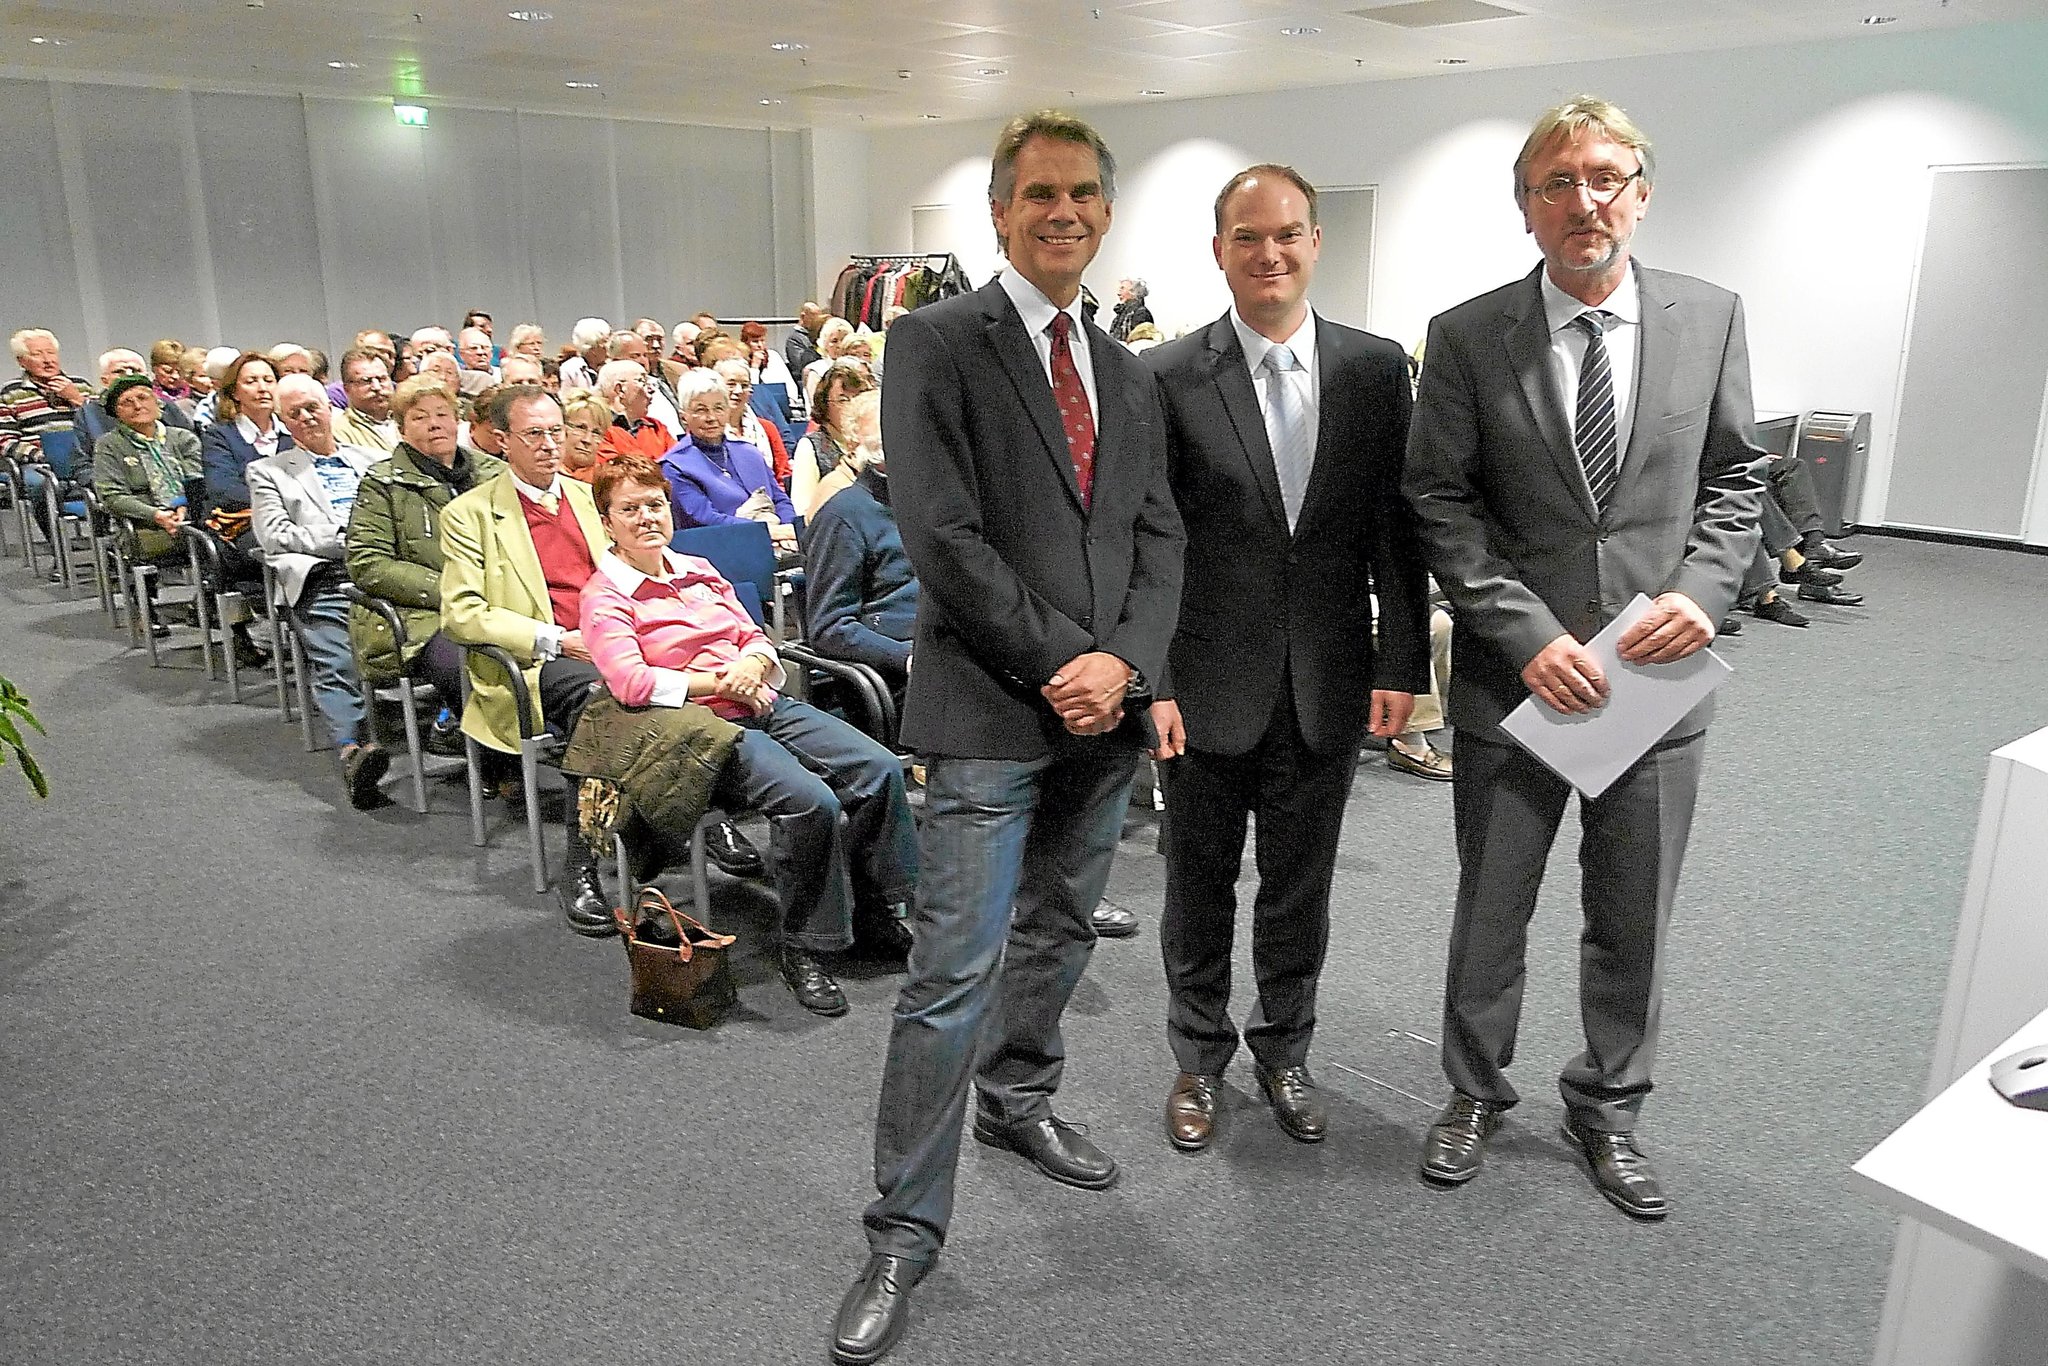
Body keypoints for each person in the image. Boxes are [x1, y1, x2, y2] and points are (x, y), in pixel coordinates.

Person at [830, 109, 1184, 1366]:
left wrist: (1127, 666)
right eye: (1038, 194)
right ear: (996, 210)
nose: (1064, 213)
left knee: (1057, 933)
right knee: (947, 978)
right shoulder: (932, 341)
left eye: (1084, 194)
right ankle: (902, 1233)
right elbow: (940, 535)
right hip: (990, 708)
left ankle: (1018, 1101)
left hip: (1103, 722)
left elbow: (1156, 536)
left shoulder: (1126, 368)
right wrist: (1063, 662)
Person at [1401, 95, 1766, 1221]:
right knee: (1491, 903)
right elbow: (1438, 499)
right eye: (1555, 183)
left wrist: (1703, 595)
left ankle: (1607, 1105)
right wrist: (1525, 631)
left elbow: (1737, 476)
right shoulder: (1466, 336)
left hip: (1656, 682)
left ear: (1639, 193)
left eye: (1604, 177)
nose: (1582, 200)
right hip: (1520, 682)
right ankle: (1473, 1091)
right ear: (1525, 208)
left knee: (1631, 910)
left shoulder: (1707, 316)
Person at [1143, 163, 1430, 1155]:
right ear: (1219, 250)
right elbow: (1150, 543)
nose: (1269, 254)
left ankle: (1284, 1049)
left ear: (1314, 244)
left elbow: (1396, 531)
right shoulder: (1169, 377)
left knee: (1300, 885)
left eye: (1288, 234)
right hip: (1203, 684)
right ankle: (1195, 1056)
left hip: (1327, 677)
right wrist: (1157, 681)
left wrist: (1401, 664)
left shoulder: (1371, 367)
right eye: (1247, 237)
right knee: (1198, 883)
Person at [580, 455, 918, 1002]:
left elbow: (756, 636)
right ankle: (806, 944)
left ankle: (877, 908)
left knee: (877, 768)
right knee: (810, 800)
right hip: (692, 730)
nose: (647, 517)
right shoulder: (606, 595)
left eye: (656, 505)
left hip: (757, 700)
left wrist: (752, 664)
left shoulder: (699, 569)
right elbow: (630, 683)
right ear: (607, 521)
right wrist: (717, 679)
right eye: (630, 509)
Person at [344, 376, 506, 760]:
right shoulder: (382, 481)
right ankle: (497, 761)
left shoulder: (495, 472)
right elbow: (368, 563)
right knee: (477, 665)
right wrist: (455, 590)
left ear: (458, 421)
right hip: (423, 613)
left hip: (502, 598)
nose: (434, 424)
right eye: (419, 418)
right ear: (401, 429)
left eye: (442, 414)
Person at [251, 374, 388, 808]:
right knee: (339, 659)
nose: (307, 416)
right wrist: (346, 537)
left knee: (448, 633)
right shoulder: (267, 471)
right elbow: (274, 535)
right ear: (283, 421)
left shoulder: (372, 459)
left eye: (313, 406)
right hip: (324, 573)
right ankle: (352, 750)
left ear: (331, 407)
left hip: (385, 568)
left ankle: (448, 726)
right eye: (294, 413)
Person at [803, 391, 913, 696]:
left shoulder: (935, 502)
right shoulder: (841, 517)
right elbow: (830, 628)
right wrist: (905, 659)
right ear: (854, 445)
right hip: (900, 675)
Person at [91, 373, 203, 636]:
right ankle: (144, 605)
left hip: (191, 515)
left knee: (219, 544)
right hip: (142, 523)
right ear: (116, 413)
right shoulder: (109, 446)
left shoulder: (183, 438)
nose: (138, 405)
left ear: (158, 403)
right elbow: (112, 495)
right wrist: (157, 515)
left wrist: (183, 508)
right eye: (127, 402)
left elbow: (196, 478)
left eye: (143, 397)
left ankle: (215, 609)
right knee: (147, 544)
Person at [660, 371, 797, 550]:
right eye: (701, 410)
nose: (711, 418)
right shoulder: (675, 465)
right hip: (722, 552)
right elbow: (707, 520)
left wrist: (789, 529)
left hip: (781, 542)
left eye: (718, 408)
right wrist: (770, 532)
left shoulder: (748, 451)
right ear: (683, 416)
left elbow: (780, 500)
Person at [790, 360, 874, 520]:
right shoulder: (810, 446)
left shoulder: (871, 442)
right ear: (825, 405)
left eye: (857, 398)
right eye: (843, 399)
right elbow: (803, 509)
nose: (851, 406)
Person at [595, 361, 672, 464]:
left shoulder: (657, 427)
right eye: (642, 381)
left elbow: (679, 463)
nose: (652, 389)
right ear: (620, 390)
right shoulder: (599, 428)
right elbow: (615, 472)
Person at [332, 347, 399, 454]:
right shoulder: (338, 433)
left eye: (382, 379)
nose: (376, 387)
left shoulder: (410, 419)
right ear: (347, 389)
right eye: (366, 381)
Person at [559, 390, 611, 484]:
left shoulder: (605, 483)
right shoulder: (541, 475)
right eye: (580, 428)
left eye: (596, 433)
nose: (587, 440)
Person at [786, 301, 827, 380]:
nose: (816, 322)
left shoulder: (817, 335)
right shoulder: (794, 339)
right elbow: (800, 366)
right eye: (814, 318)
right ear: (803, 316)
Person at [1110, 277, 1153, 342]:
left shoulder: (1141, 313)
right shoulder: (1122, 314)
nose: (1118, 292)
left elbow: (1142, 341)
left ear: (1133, 291)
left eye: (1122, 288)